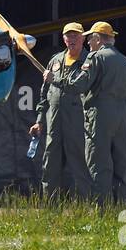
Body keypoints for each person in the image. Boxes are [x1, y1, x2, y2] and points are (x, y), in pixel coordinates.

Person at [29, 22, 95, 198]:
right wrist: (39, 121)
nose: (72, 39)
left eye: (76, 36)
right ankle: (51, 209)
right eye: (68, 36)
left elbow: (79, 86)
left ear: (83, 38)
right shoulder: (55, 61)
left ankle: (87, 207)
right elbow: (44, 94)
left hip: (78, 122)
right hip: (54, 123)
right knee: (50, 164)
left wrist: (54, 80)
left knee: (81, 165)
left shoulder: (89, 61)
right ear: (63, 39)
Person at [81, 21, 126, 203]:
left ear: (98, 39)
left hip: (100, 114)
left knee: (98, 163)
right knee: (121, 165)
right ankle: (120, 207)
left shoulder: (95, 58)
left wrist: (57, 80)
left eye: (89, 39)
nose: (88, 43)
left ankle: (101, 211)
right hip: (122, 117)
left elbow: (82, 84)